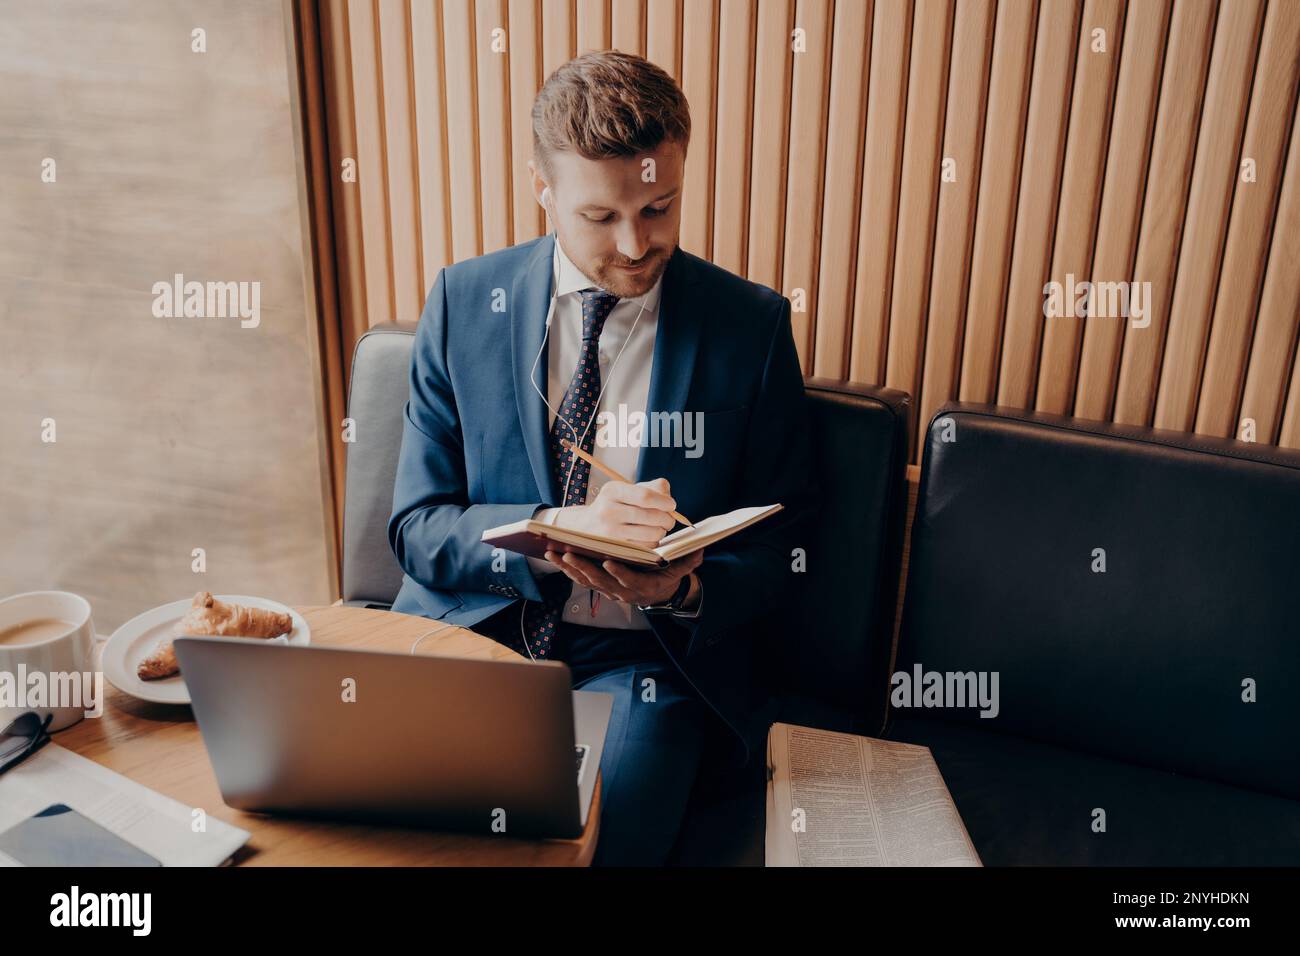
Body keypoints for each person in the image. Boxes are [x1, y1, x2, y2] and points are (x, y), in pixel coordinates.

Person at [388, 50, 816, 865]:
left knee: (599, 848)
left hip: (642, 667)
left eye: (659, 208)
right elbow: (415, 527)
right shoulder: (462, 303)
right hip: (471, 641)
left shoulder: (748, 327)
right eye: (601, 216)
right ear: (542, 188)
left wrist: (686, 588)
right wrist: (551, 528)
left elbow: (787, 548)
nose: (634, 244)